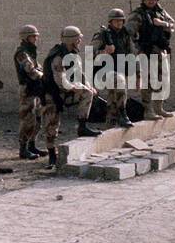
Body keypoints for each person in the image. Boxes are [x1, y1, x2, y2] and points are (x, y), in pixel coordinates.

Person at [37, 25, 100, 168]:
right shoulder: (58, 57)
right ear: (72, 40)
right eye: (78, 39)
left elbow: (80, 74)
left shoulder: (74, 55)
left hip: (67, 91)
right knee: (52, 125)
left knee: (88, 93)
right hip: (52, 94)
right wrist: (76, 88)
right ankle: (52, 155)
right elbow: (60, 81)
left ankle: (82, 126)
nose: (80, 41)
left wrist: (88, 86)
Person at [130, 0, 175, 120]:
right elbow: (129, 33)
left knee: (163, 80)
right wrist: (137, 49)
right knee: (148, 81)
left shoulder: (161, 12)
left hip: (161, 51)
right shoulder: (138, 14)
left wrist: (162, 23)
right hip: (147, 51)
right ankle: (148, 110)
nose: (151, 1)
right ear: (144, 0)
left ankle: (159, 108)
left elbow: (173, 24)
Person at [92, 9, 133, 129]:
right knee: (119, 84)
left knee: (113, 96)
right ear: (111, 21)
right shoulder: (102, 35)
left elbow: (131, 53)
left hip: (119, 68)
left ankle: (111, 122)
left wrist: (137, 73)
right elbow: (91, 52)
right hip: (104, 70)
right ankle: (123, 113)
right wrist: (104, 52)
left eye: (121, 21)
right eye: (116, 21)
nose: (119, 23)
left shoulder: (125, 34)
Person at [14, 24, 45, 159]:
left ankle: (32, 145)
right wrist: (44, 76)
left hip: (35, 89)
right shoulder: (22, 53)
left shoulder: (31, 51)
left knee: (38, 119)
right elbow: (31, 71)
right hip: (27, 89)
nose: (35, 39)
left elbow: (38, 68)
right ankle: (23, 148)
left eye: (36, 36)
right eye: (33, 36)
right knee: (28, 120)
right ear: (26, 37)